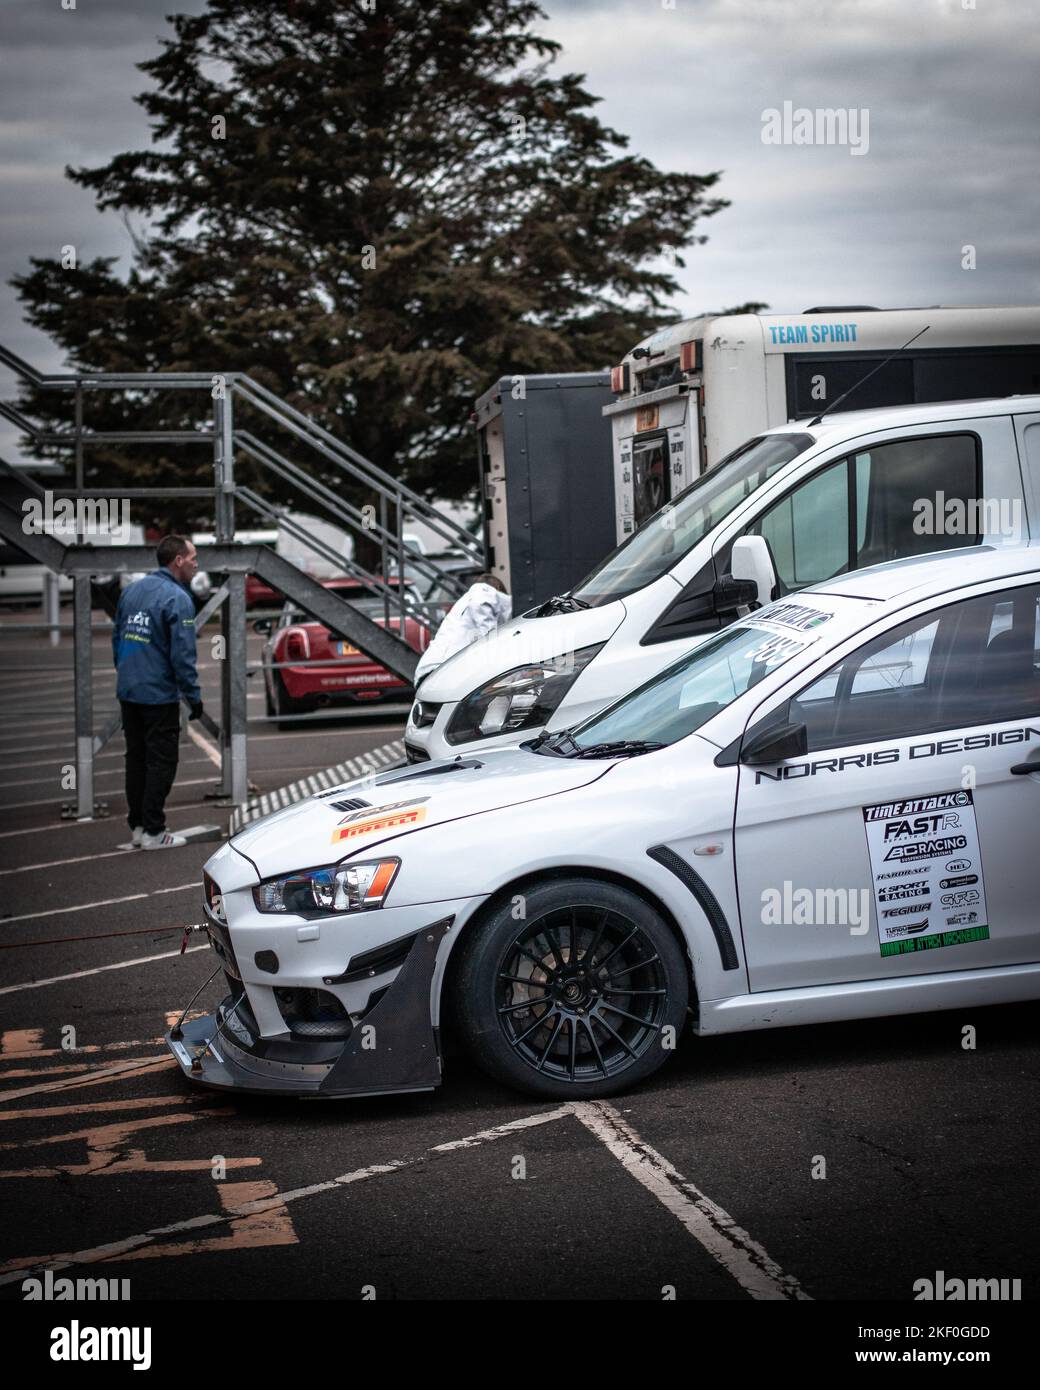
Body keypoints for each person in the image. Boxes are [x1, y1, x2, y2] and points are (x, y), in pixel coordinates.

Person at [112, 534, 203, 849]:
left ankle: (137, 827)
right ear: (178, 560)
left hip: (130, 690)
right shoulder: (178, 598)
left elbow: (117, 637)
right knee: (161, 761)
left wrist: (125, 674)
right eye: (193, 557)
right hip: (158, 694)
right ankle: (154, 831)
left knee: (135, 759)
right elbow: (183, 655)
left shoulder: (132, 592)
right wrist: (194, 696)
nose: (196, 563)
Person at [414, 572, 512, 684]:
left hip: (432, 671)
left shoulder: (464, 614)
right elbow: (481, 604)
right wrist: (494, 646)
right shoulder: (482, 590)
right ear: (497, 589)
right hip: (441, 670)